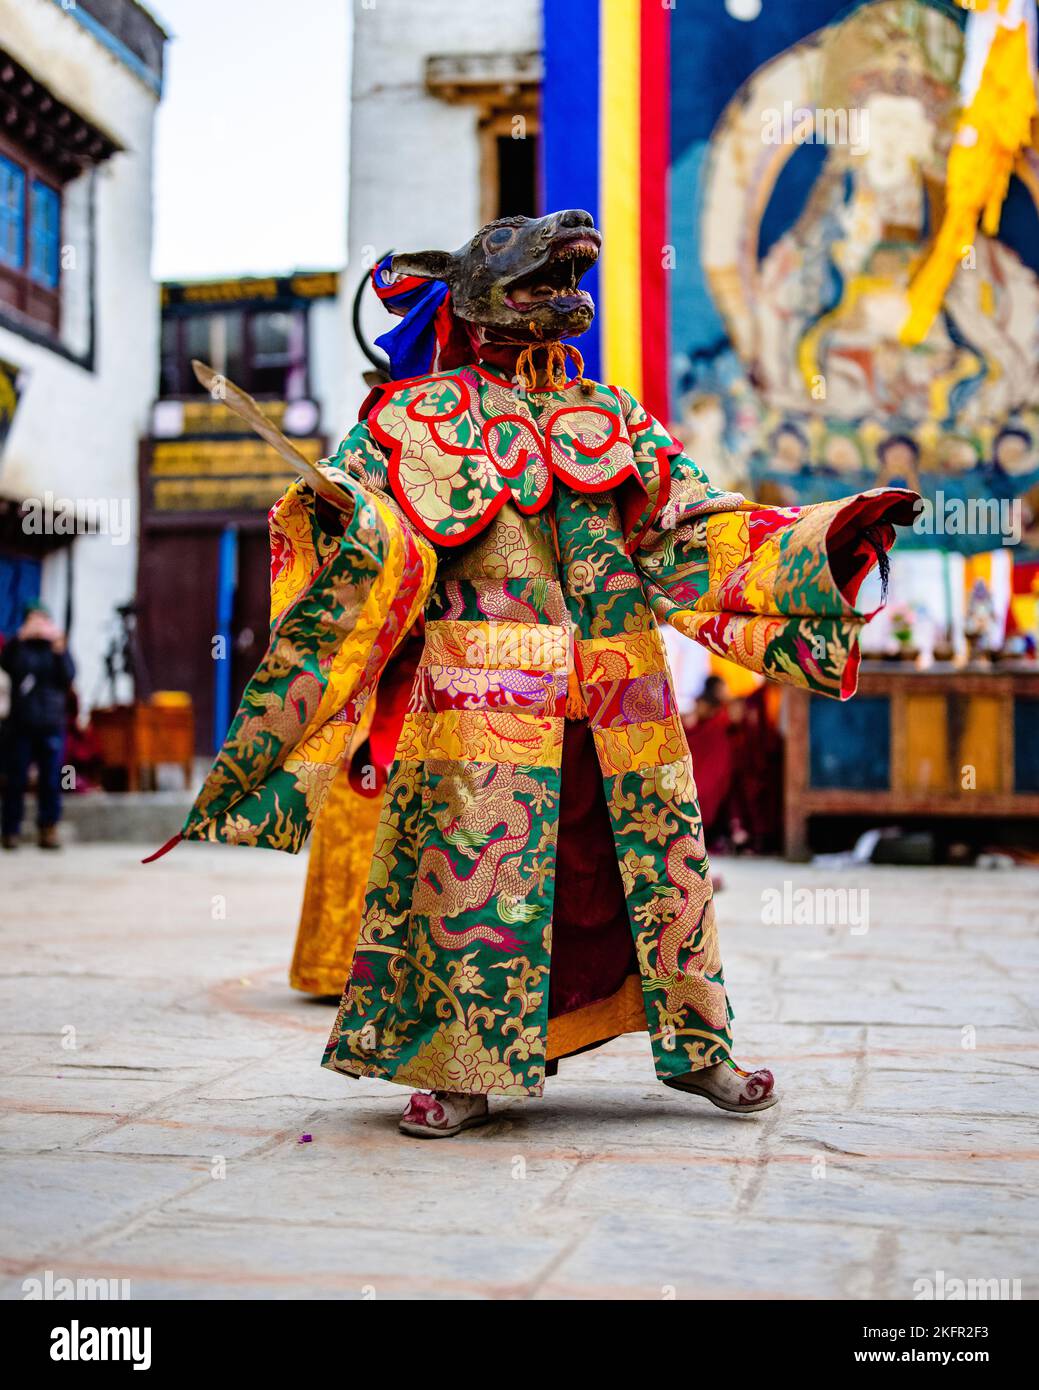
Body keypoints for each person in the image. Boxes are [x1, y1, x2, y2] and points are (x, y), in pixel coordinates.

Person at [154, 210, 915, 1138]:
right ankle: (461, 1069)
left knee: (650, 872)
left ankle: (698, 1043)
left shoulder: (616, 417)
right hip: (480, 695)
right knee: (474, 879)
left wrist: (821, 538)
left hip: (616, 685)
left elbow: (689, 534)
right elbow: (363, 534)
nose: (559, 280)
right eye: (525, 261)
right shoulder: (410, 421)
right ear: (469, 294)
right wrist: (349, 523)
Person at [1, 602, 75, 850]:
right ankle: (11, 831)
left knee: (54, 779)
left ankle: (49, 829)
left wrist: (60, 649)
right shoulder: (19, 647)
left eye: (44, 619)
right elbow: (9, 665)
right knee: (16, 779)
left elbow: (68, 676)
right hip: (21, 723)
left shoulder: (55, 648)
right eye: (34, 619)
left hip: (52, 722)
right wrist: (21, 638)